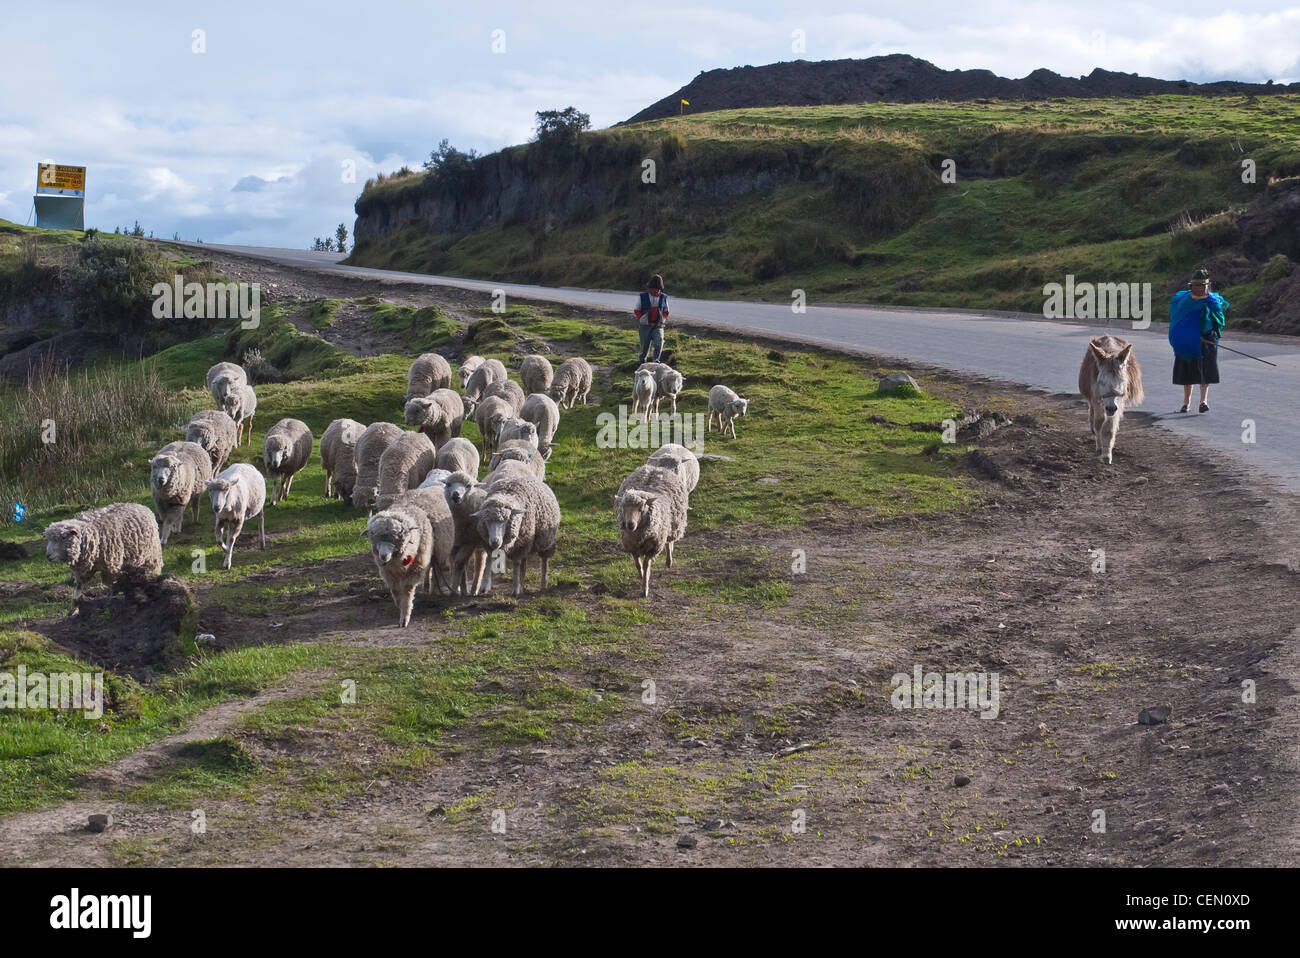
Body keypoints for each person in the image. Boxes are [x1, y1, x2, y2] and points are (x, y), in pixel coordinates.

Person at [1168, 267, 1228, 414]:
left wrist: (1209, 333)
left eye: (1203, 286)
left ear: (1208, 286)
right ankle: (1186, 402)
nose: (1200, 289)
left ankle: (1203, 401)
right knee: (1188, 371)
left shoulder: (1213, 300)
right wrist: (1191, 335)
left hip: (1207, 338)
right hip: (1188, 341)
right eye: (1197, 286)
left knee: (1206, 371)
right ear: (1191, 286)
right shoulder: (1183, 300)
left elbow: (1219, 318)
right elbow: (1178, 321)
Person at [634, 274, 669, 364]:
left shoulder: (664, 297)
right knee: (644, 347)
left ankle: (655, 363)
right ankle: (642, 363)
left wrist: (663, 319)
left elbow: (666, 311)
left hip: (658, 326)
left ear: (659, 289)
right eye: (652, 289)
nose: (654, 291)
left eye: (656, 289)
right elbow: (637, 310)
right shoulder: (642, 296)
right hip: (645, 326)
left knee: (659, 343)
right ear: (649, 288)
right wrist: (642, 319)